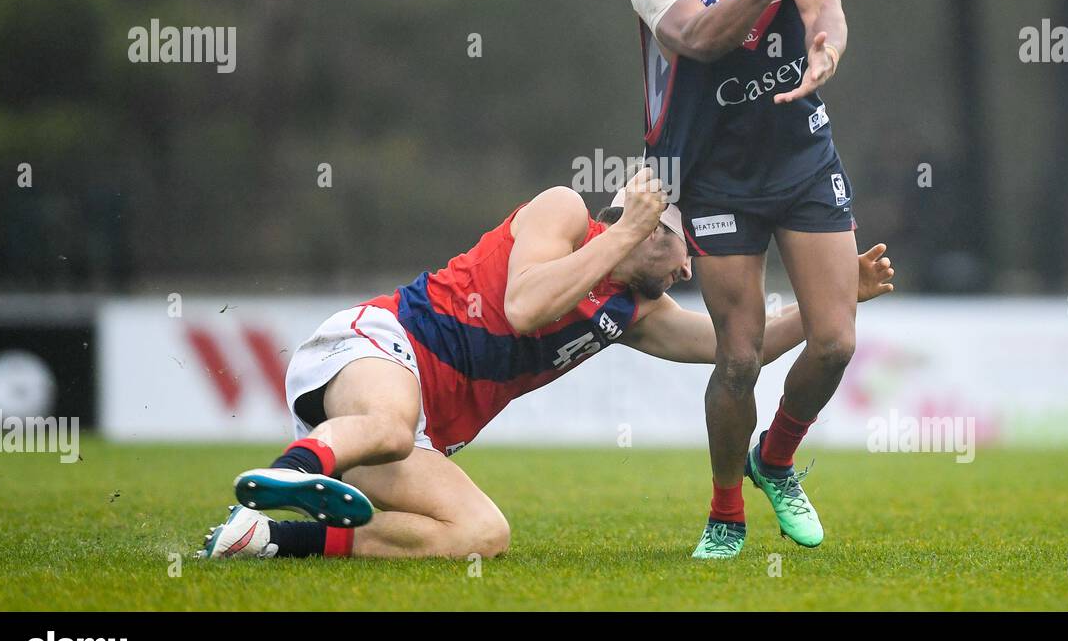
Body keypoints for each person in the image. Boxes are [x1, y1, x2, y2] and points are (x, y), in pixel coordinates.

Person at [201, 170, 894, 560]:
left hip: (408, 430)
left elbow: (738, 349)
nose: (689, 268)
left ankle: (263, 538)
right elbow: (527, 305)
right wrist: (621, 232)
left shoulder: (634, 312)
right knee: (387, 422)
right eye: (684, 250)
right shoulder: (562, 211)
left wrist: (830, 302)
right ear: (644, 225)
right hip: (379, 348)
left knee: (480, 537)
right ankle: (287, 475)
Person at [630, 0, 859, 557]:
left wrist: (824, 49)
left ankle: (778, 459)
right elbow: (697, 39)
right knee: (739, 356)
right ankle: (726, 509)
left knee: (834, 342)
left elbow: (824, 6)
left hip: (802, 160)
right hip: (717, 180)